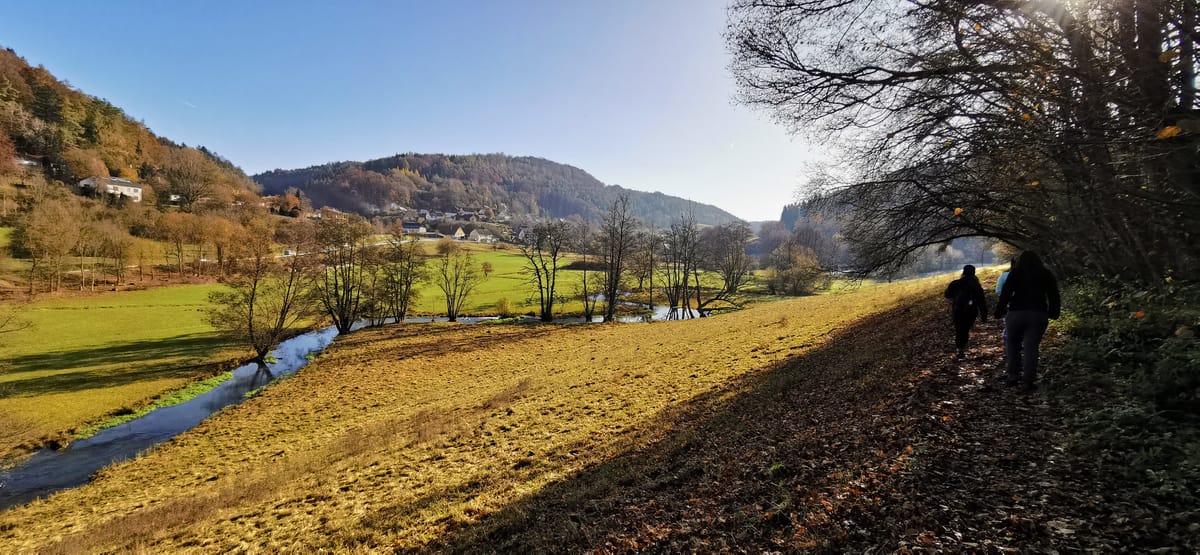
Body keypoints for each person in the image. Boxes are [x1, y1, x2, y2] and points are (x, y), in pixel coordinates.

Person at [994, 251, 1060, 391]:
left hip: (1016, 313)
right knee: (1031, 347)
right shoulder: (1045, 273)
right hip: (1038, 314)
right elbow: (1054, 294)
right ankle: (1028, 381)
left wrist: (999, 311)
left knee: (1012, 344)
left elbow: (1005, 293)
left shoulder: (1015, 273)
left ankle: (1013, 376)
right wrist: (1054, 312)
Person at [944, 265, 988, 359]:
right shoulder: (976, 285)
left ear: (963, 272)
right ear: (974, 272)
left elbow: (947, 295)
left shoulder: (956, 283)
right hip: (971, 311)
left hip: (957, 310)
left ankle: (960, 348)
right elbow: (981, 301)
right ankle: (961, 346)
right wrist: (984, 314)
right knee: (965, 329)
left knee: (959, 329)